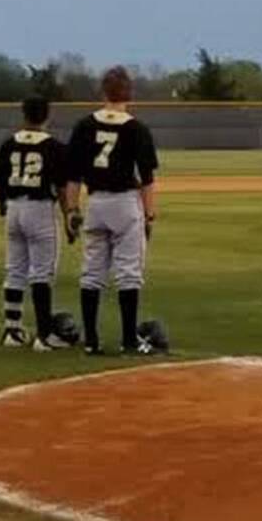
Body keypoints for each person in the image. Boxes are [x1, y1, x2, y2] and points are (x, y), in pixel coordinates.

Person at [64, 67, 160, 356]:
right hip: (125, 202)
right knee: (128, 274)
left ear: (103, 92)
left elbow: (73, 176)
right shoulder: (136, 128)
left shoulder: (84, 125)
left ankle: (91, 341)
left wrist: (71, 209)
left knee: (92, 274)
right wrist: (149, 215)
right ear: (128, 93)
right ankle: (129, 339)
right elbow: (147, 179)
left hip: (96, 203)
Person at [0, 97, 71, 350]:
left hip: (14, 208)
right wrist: (69, 216)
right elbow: (61, 187)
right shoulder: (54, 146)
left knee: (15, 270)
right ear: (47, 117)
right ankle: (44, 336)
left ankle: (12, 331)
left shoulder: (9, 143)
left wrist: (3, 203)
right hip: (40, 209)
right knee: (42, 274)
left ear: (23, 115)